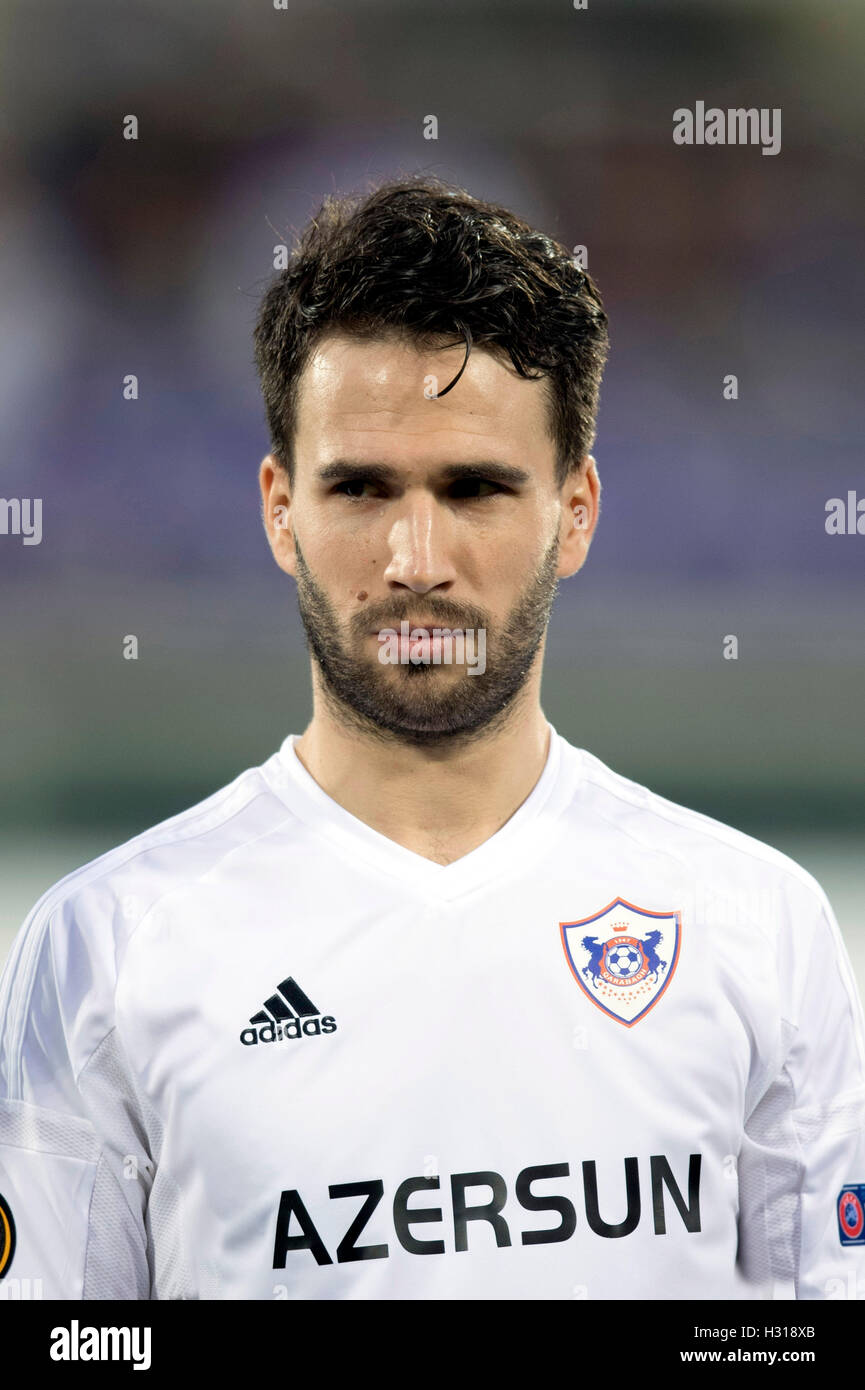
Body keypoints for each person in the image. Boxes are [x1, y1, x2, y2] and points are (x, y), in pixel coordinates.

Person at [1, 177, 863, 1301]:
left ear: (577, 511)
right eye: (360, 488)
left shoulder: (759, 926)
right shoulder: (104, 951)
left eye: (474, 490)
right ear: (278, 509)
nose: (415, 558)